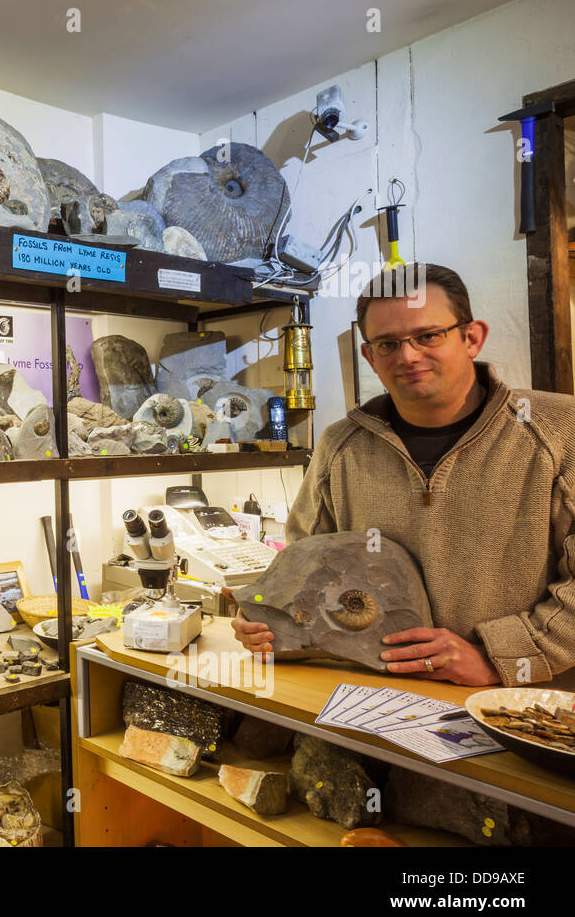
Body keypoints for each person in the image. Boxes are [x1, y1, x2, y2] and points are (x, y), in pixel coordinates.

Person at [231, 263, 575, 688]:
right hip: (377, 698)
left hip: (520, 704)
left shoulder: (560, 431)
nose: (408, 356)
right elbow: (304, 568)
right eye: (389, 343)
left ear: (472, 337)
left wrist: (499, 656)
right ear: (370, 357)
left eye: (428, 336)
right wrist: (265, 621)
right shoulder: (340, 446)